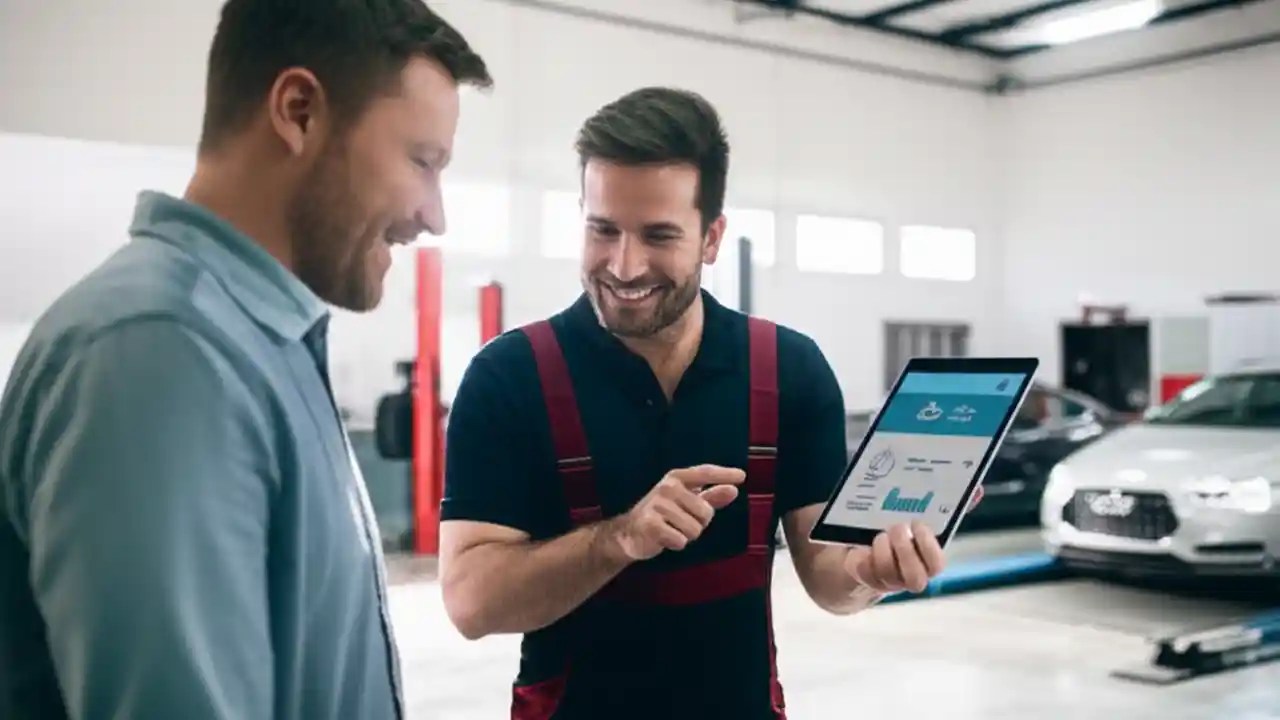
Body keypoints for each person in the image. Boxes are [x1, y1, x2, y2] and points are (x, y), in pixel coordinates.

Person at [0, 2, 489, 719]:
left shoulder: (258, 343)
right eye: (423, 162)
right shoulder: (161, 354)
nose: (433, 215)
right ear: (298, 111)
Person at [438, 86, 982, 720]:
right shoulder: (508, 378)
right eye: (602, 229)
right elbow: (470, 602)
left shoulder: (789, 371)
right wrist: (620, 539)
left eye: (659, 235)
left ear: (712, 237)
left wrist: (874, 571)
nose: (624, 264)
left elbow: (829, 577)